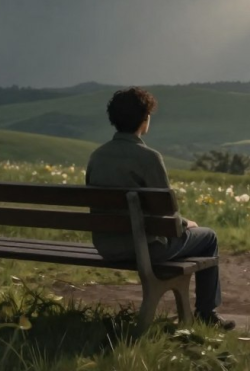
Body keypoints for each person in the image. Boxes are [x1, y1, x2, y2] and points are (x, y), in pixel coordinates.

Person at [85, 87, 234, 330]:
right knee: (208, 237)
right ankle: (206, 313)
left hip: (107, 246)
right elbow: (167, 217)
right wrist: (187, 224)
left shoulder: (97, 156)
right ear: (144, 119)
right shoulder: (149, 158)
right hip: (146, 250)